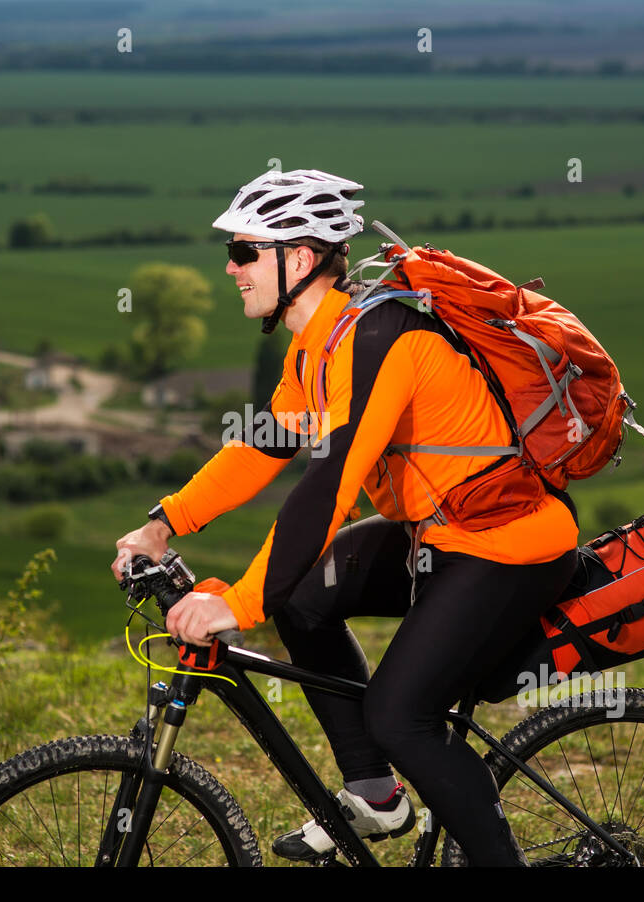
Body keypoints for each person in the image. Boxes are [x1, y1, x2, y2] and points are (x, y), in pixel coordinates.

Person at [111, 168, 579, 865]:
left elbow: (328, 489)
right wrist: (163, 523)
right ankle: (377, 799)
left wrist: (238, 603)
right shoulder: (318, 345)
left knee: (401, 716)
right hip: (439, 532)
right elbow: (260, 449)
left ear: (296, 259)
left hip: (507, 545)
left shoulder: (377, 339)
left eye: (244, 252)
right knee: (304, 602)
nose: (231, 268)